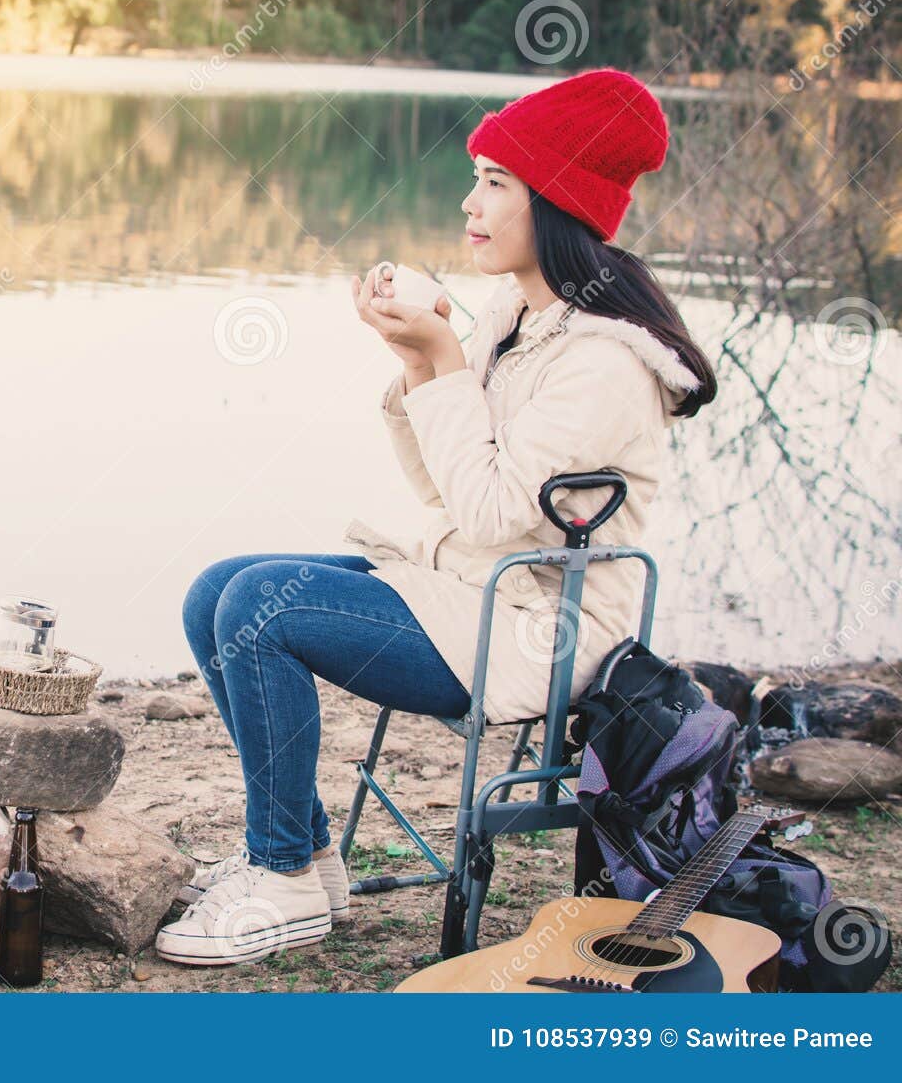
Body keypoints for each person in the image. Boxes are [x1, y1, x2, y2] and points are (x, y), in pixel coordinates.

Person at [155, 66, 719, 968]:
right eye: (478, 178)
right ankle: (304, 858)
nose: (471, 201)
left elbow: (494, 515)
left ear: (558, 202)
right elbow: (447, 493)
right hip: (480, 587)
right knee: (215, 591)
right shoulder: (520, 318)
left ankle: (281, 875)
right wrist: (420, 360)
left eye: (497, 182)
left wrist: (443, 356)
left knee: (264, 605)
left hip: (543, 627)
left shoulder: (604, 361)